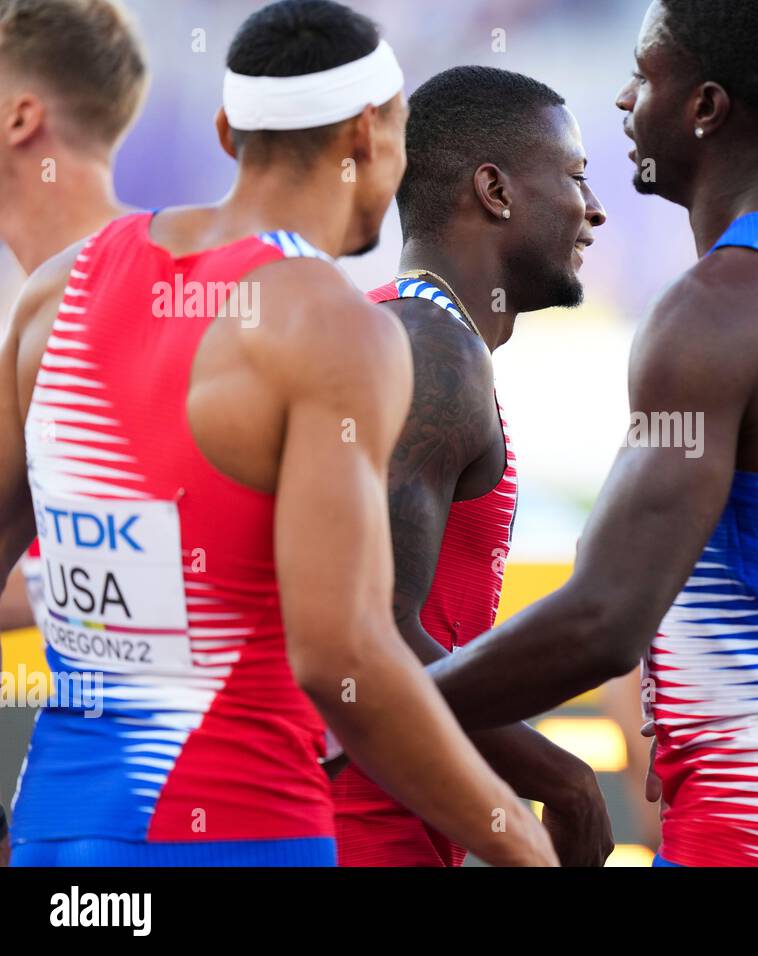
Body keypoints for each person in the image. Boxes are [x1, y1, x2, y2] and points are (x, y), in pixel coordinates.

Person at [0, 0, 554, 867]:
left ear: (227, 130)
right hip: (239, 828)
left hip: (58, 834)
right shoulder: (336, 328)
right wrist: (518, 835)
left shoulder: (56, 293)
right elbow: (343, 657)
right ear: (369, 133)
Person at [424, 0, 758, 866]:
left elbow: (604, 619)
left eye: (644, 76)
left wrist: (373, 707)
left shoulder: (720, 311)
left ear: (705, 108)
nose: (623, 102)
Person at [330, 65, 613, 867]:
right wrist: (563, 782)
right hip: (365, 832)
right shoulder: (432, 351)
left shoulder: (415, 336)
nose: (593, 210)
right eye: (575, 177)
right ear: (494, 190)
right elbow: (372, 633)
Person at [0, 0, 149, 866]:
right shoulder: (35, 320)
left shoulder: (157, 301)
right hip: (70, 811)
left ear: (21, 116)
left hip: (175, 820)